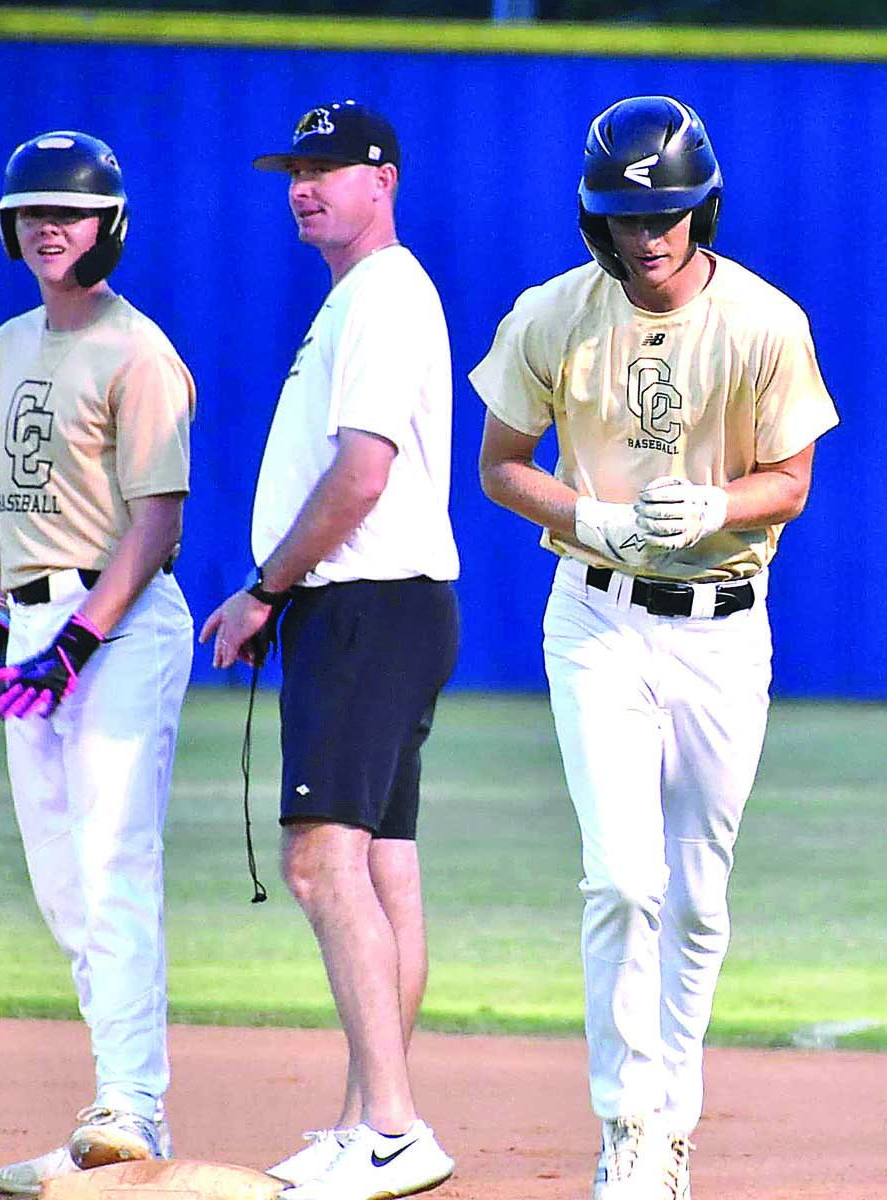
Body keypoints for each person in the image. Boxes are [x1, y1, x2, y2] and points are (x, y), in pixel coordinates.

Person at [470, 95, 838, 1200]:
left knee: (696, 896)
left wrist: (713, 506)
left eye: (671, 211)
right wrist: (590, 518)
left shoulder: (765, 322)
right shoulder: (552, 313)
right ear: (596, 222)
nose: (652, 233)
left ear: (702, 207)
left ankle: (673, 1123)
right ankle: (627, 1126)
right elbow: (499, 463)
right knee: (621, 878)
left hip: (722, 626)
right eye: (630, 217)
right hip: (595, 612)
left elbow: (793, 482)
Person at [199, 100, 460, 1200]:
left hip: (363, 601)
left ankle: (393, 1131)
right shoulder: (362, 298)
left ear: (381, 179)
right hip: (380, 606)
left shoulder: (382, 297)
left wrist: (266, 591)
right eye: (292, 171)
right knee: (379, 866)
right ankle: (367, 1127)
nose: (304, 186)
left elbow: (360, 474)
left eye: (327, 168)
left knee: (317, 861)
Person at [0, 130, 195, 1195]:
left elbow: (157, 521)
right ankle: (113, 1111)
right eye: (35, 210)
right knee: (62, 886)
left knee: (110, 863)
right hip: (38, 632)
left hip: (122, 626)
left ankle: (130, 1108)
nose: (52, 225)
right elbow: (13, 501)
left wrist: (82, 638)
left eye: (74, 211)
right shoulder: (11, 345)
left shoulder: (141, 352)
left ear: (111, 227)